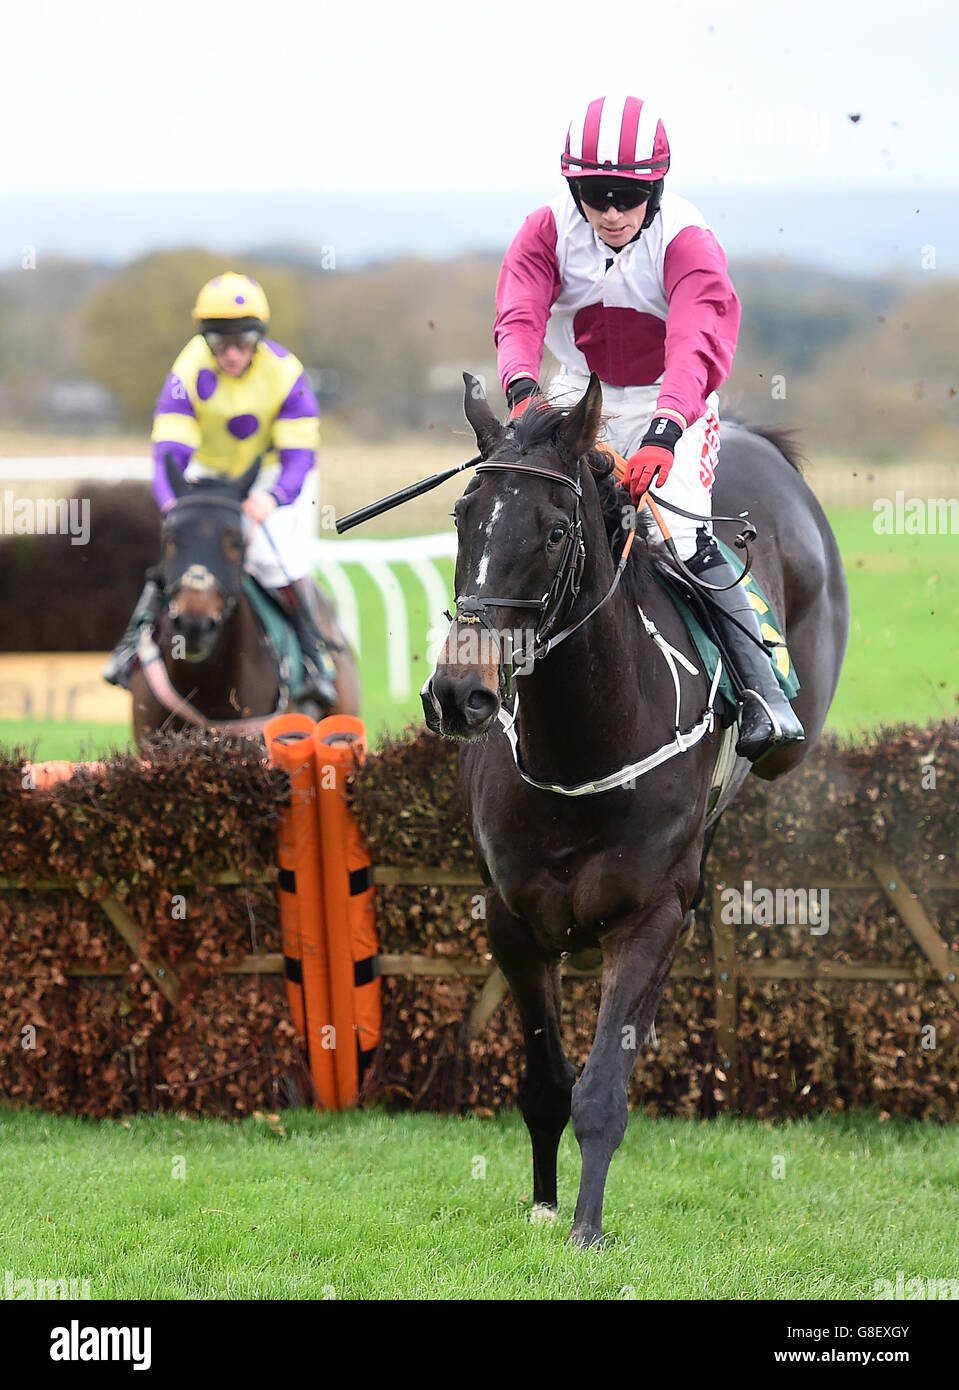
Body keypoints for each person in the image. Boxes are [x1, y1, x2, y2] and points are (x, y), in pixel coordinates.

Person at [493, 94, 803, 762]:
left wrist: (663, 433)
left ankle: (761, 694)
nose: (608, 213)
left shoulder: (686, 239)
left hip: (676, 400)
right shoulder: (544, 231)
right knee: (517, 517)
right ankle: (473, 681)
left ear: (656, 189)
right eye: (593, 195)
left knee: (679, 531)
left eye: (626, 198)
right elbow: (518, 315)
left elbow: (697, 344)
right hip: (578, 394)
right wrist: (522, 394)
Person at [104, 271, 337, 704]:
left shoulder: (286, 373)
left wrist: (272, 498)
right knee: (185, 549)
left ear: (259, 337)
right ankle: (129, 649)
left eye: (241, 341)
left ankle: (313, 657)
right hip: (205, 476)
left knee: (272, 559)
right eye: (219, 341)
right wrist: (176, 505)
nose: (230, 352)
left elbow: (298, 457)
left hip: (269, 475)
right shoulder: (186, 370)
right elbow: (167, 454)